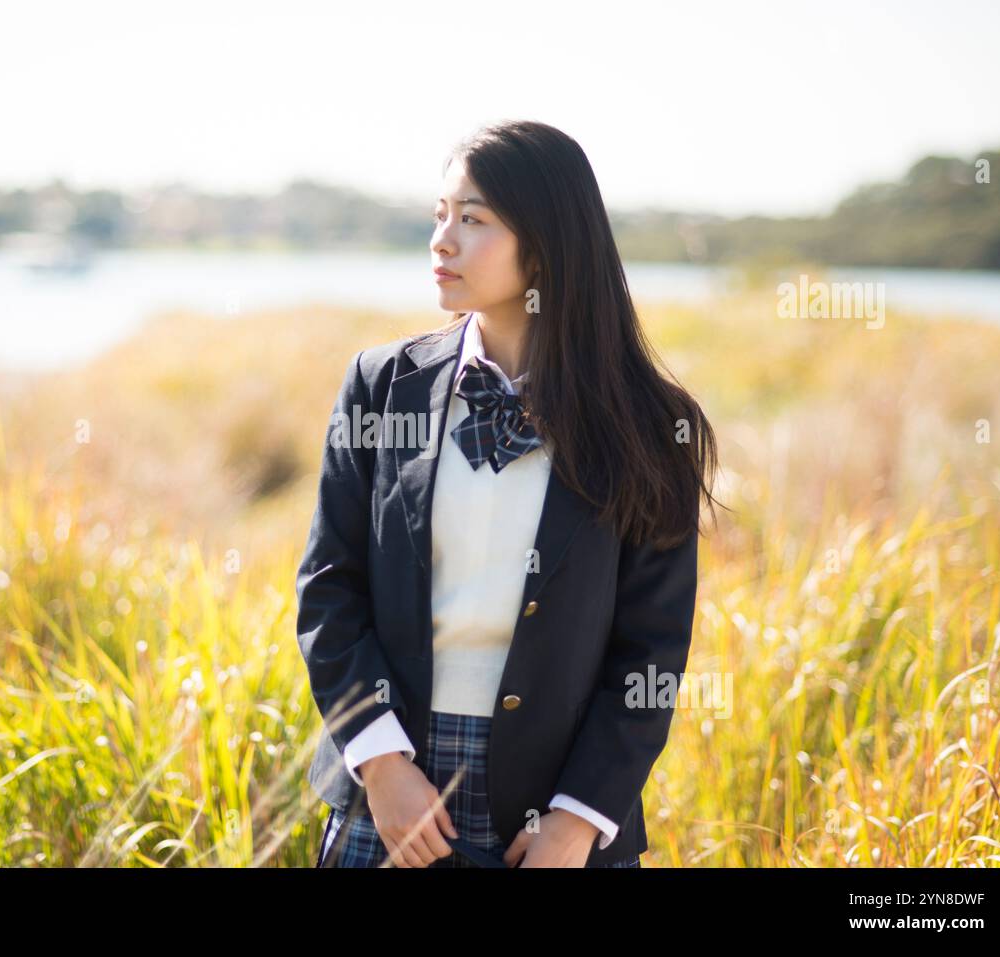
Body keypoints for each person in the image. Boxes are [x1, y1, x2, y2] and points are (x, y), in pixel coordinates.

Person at [296, 120, 721, 868]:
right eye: (440, 214)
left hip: (553, 816)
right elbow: (329, 588)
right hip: (390, 793)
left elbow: (651, 651)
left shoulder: (654, 425)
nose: (442, 240)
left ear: (547, 241)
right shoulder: (379, 384)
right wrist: (381, 763)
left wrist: (580, 819)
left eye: (473, 218)